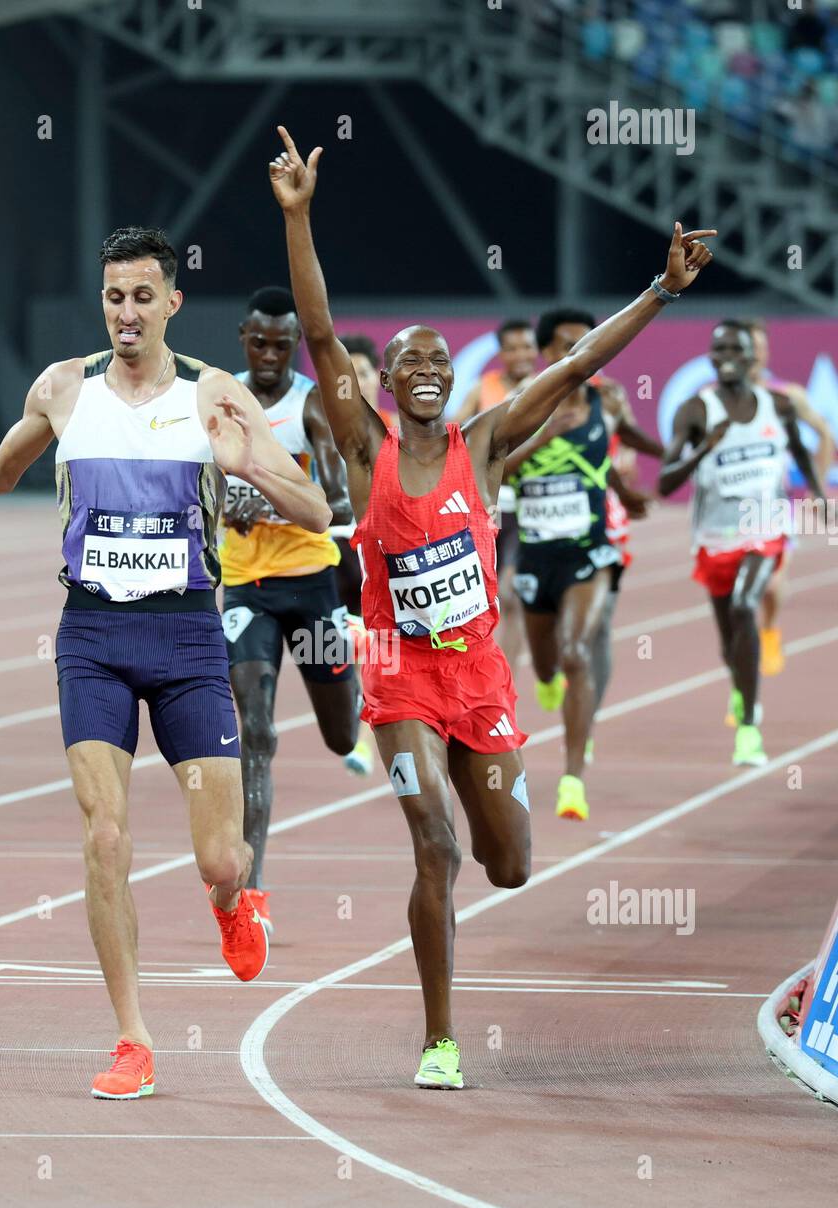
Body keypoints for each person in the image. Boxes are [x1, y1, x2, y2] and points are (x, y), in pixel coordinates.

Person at [270, 123, 715, 1088]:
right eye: (410, 364)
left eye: (440, 362)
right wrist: (299, 219)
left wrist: (660, 291)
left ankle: (489, 821)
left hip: (478, 672)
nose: (426, 372)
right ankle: (440, 1040)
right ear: (385, 383)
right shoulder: (364, 444)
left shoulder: (489, 438)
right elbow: (316, 331)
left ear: (457, 381)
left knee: (507, 863)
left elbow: (578, 365)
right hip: (395, 671)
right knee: (434, 845)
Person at [0, 226, 332, 1101]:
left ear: (171, 302)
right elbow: (0, 470)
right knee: (105, 838)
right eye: (113, 297)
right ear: (105, 303)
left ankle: (234, 901)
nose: (126, 313)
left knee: (221, 859)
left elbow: (315, 508)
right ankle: (133, 1040)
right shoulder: (61, 388)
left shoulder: (217, 395)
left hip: (189, 641)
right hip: (92, 638)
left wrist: (251, 471)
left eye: (141, 297)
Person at [221, 287, 372, 937]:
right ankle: (251, 893)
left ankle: (355, 691)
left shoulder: (309, 402)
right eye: (261, 343)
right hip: (246, 584)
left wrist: (265, 495)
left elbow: (338, 502)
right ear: (243, 338)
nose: (272, 356)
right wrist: (218, 503)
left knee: (341, 735)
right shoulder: (218, 398)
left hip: (311, 584)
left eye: (284, 345)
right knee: (257, 730)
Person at [505, 307, 656, 821]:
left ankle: (573, 779)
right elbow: (493, 469)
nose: (580, 357)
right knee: (545, 662)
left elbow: (604, 455)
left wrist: (626, 489)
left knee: (577, 651)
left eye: (586, 345)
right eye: (568, 346)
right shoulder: (523, 405)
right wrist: (546, 435)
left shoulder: (606, 399)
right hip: (535, 558)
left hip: (589, 553)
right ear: (546, 352)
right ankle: (546, 679)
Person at [659, 320, 823, 766]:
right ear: (711, 357)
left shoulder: (779, 405)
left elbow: (801, 450)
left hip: (766, 527)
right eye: (720, 348)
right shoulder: (696, 410)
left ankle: (748, 728)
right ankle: (740, 686)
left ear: (754, 357)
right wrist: (701, 449)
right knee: (730, 638)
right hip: (714, 536)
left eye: (737, 347)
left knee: (745, 606)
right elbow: (664, 482)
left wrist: (819, 494)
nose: (728, 354)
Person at [743, 316, 835, 677]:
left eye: (760, 347)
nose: (755, 355)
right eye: (748, 347)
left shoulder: (787, 395)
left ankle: (768, 630)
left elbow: (825, 435)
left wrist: (816, 489)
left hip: (770, 506)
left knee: (771, 583)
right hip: (725, 510)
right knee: (733, 595)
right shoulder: (710, 399)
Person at [456, 320, 539, 671]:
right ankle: (471, 666)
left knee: (512, 595)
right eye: (512, 348)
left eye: (526, 347)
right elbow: (456, 433)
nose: (520, 355)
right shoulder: (483, 388)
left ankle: (504, 677)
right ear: (501, 353)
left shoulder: (543, 387)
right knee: (475, 594)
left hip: (528, 505)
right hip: (487, 504)